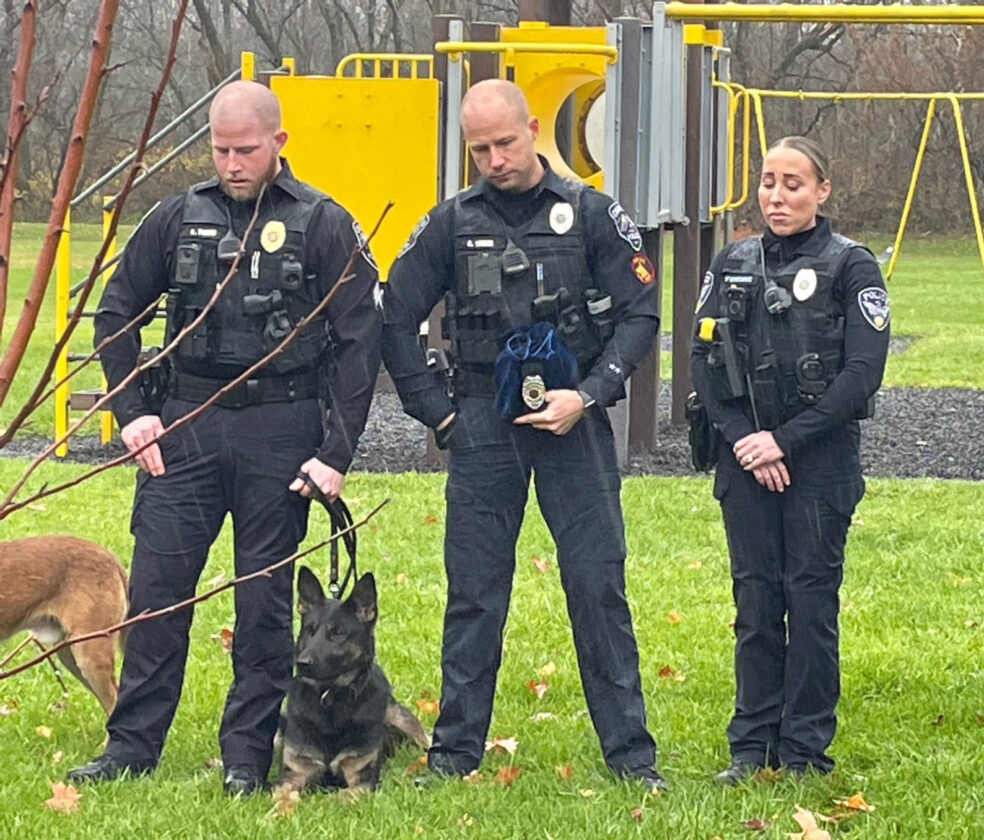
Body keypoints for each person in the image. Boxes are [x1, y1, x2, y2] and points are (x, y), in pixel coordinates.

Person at [67, 81, 382, 795]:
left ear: (279, 142)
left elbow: (361, 342)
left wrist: (335, 453)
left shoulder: (323, 222)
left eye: (246, 150)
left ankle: (246, 756)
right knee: (157, 594)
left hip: (282, 426)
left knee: (264, 603)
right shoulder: (178, 216)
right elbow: (116, 313)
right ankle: (131, 745)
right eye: (221, 150)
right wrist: (132, 412)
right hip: (185, 422)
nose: (233, 164)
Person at [381, 79, 667, 792]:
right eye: (480, 149)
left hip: (573, 418)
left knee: (597, 585)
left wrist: (591, 394)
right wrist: (436, 413)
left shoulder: (591, 213)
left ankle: (632, 758)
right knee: (474, 593)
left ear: (533, 128)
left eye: (505, 143)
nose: (496, 160)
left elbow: (639, 312)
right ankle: (454, 756)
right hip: (482, 419)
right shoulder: (451, 222)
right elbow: (394, 315)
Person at [690, 136, 889, 784]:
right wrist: (748, 441)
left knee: (809, 607)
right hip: (746, 459)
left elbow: (861, 375)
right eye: (768, 182)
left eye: (793, 184)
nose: (776, 196)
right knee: (755, 606)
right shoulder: (732, 262)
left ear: (822, 191)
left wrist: (785, 440)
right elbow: (702, 361)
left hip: (819, 463)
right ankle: (750, 747)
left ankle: (804, 751)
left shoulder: (852, 267)